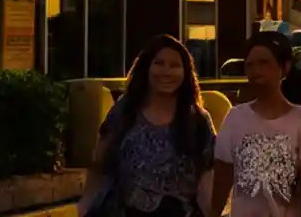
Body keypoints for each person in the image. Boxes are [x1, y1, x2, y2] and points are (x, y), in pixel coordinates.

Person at [79, 34, 216, 216]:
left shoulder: (198, 121)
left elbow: (207, 180)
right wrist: (85, 205)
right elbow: (99, 164)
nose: (166, 71)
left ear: (186, 73)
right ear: (147, 68)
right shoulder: (125, 111)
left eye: (174, 65)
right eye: (159, 63)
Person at [212, 32, 301, 217]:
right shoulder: (235, 118)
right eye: (250, 65)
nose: (256, 70)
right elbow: (221, 181)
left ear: (284, 68)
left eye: (264, 63)